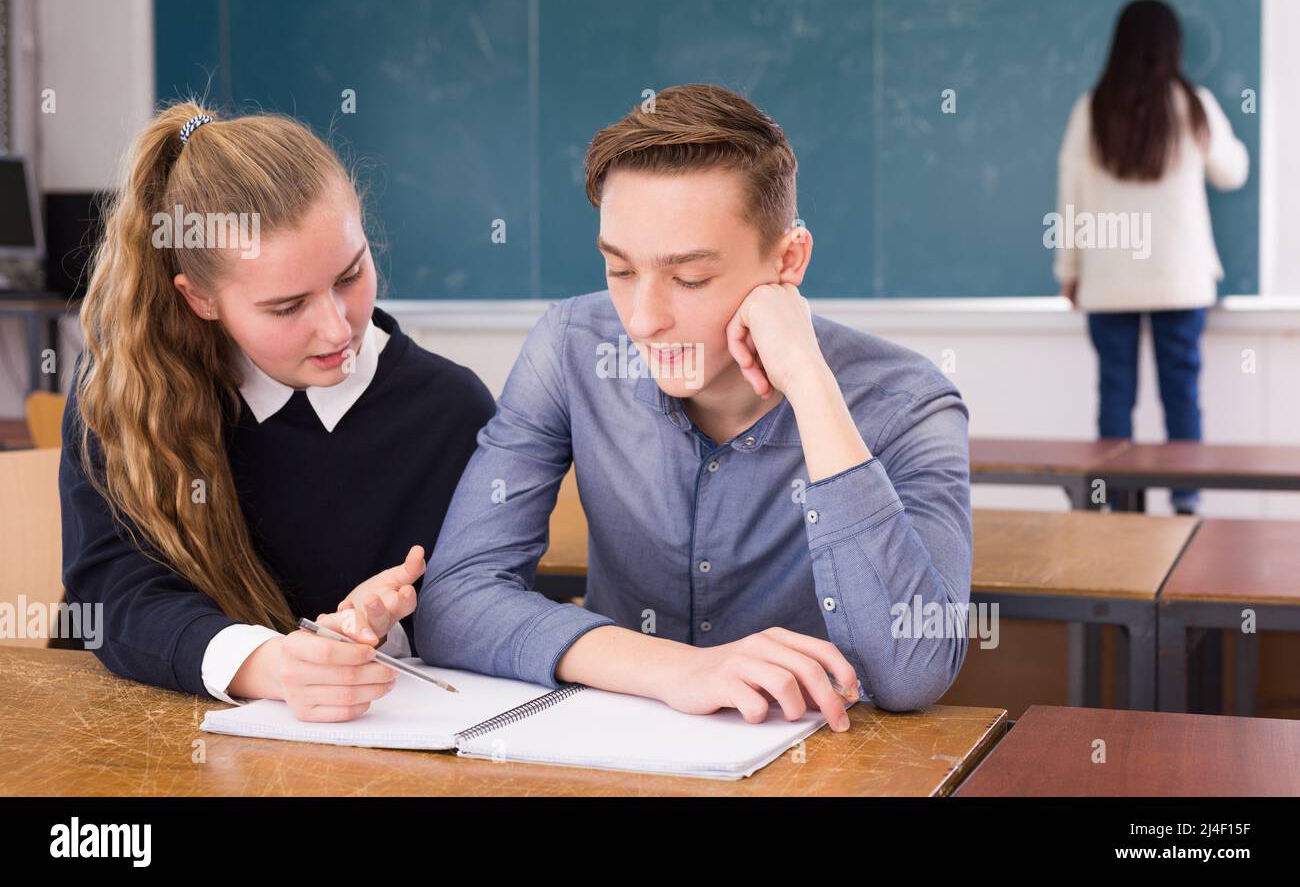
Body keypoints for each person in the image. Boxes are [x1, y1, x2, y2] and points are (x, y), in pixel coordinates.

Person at [417, 84, 972, 724]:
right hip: (614, 750)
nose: (645, 320)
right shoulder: (572, 349)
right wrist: (678, 669)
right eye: (620, 270)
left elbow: (912, 672)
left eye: (690, 279)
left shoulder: (909, 401)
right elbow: (454, 602)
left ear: (788, 261)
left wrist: (812, 384)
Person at [60, 101, 494, 721]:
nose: (335, 328)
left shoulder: (451, 411)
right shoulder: (123, 392)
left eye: (350, 275)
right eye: (287, 307)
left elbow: (481, 608)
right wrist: (270, 666)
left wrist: (388, 630)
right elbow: (108, 598)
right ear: (202, 300)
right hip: (151, 739)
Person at [1054, 0, 1250, 513]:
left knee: (1115, 396)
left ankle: (1116, 508)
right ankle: (1187, 504)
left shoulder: (1091, 107)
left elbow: (1070, 197)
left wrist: (1069, 271)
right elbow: (1233, 171)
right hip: (1180, 279)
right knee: (1181, 394)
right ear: (1172, 46)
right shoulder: (1194, 104)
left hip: (1108, 278)